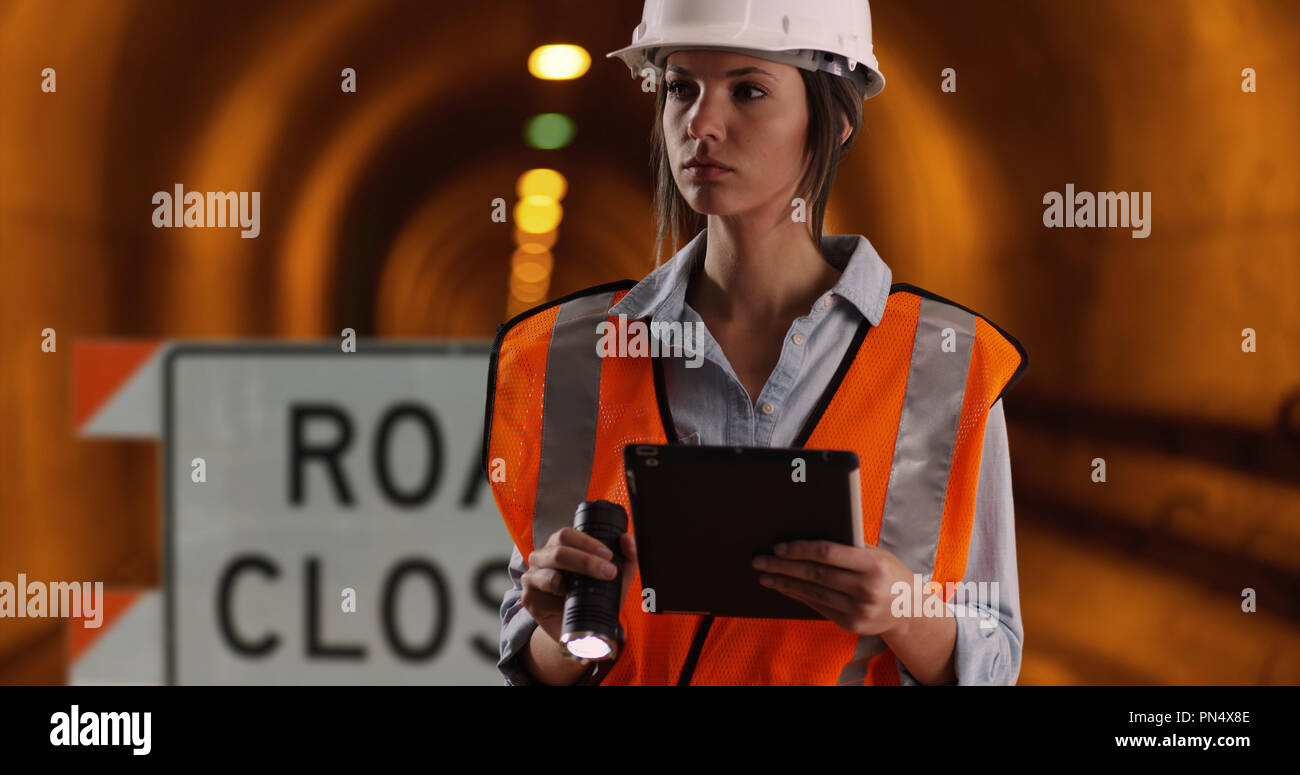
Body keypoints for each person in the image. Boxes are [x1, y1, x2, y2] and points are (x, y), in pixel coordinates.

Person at [484, 0, 1027, 685]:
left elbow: (996, 660)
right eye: (680, 87)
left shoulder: (945, 364)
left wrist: (902, 610)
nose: (700, 124)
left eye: (749, 90)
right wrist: (563, 628)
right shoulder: (566, 357)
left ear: (835, 122)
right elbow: (527, 660)